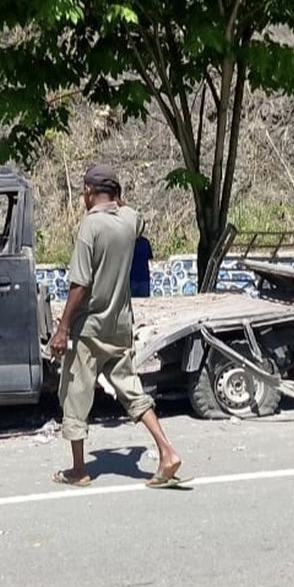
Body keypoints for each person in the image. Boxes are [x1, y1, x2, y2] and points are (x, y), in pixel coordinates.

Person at [48, 165, 187, 489]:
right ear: (116, 192)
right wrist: (118, 198)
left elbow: (79, 284)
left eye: (84, 190)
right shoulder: (129, 221)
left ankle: (79, 470)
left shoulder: (90, 227)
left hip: (90, 328)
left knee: (75, 393)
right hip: (120, 324)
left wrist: (63, 328)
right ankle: (166, 452)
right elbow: (135, 215)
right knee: (130, 388)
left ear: (88, 190)